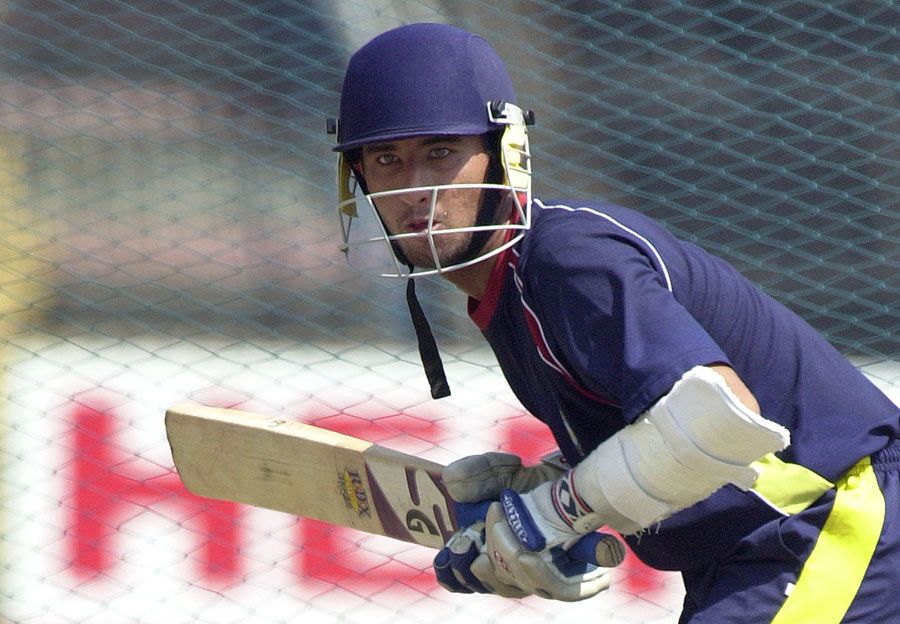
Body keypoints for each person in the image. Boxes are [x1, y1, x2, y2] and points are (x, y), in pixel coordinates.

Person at [326, 22, 900, 623]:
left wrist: (555, 512)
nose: (417, 188)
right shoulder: (509, 288)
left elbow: (720, 417)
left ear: (506, 152)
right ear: (359, 180)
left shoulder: (569, 259)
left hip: (835, 522)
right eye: (387, 159)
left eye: (440, 153)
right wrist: (539, 492)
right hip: (758, 550)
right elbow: (661, 432)